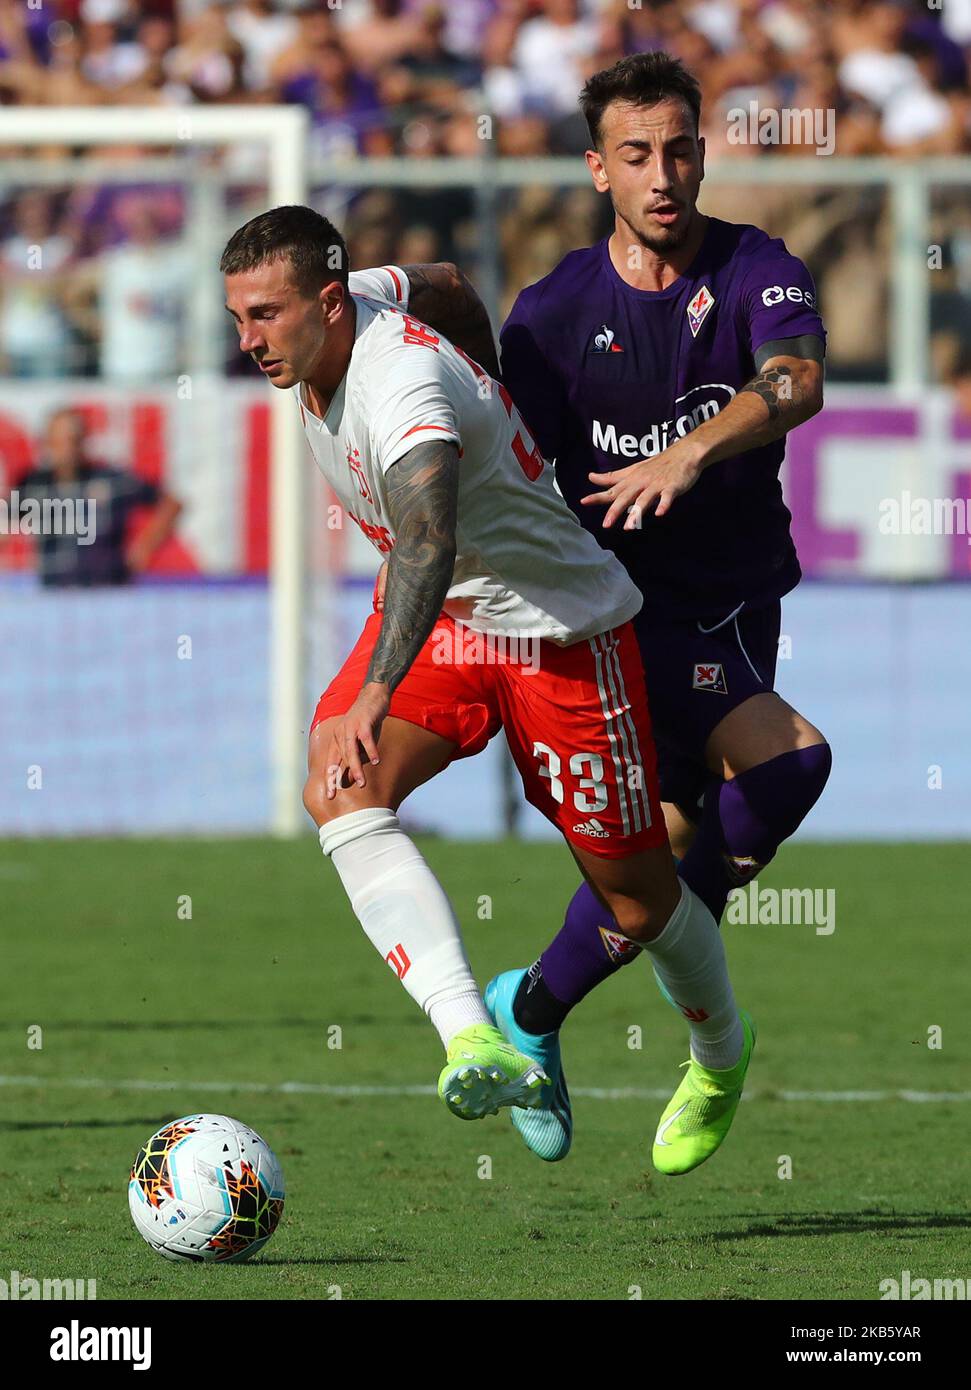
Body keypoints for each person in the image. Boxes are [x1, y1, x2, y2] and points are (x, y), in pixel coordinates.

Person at [222, 204, 755, 1174]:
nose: (247, 340)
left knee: (634, 901)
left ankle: (719, 1052)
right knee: (341, 785)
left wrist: (374, 692)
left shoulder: (402, 390)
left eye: (265, 315)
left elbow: (425, 540)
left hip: (557, 633)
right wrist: (495, 392)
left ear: (328, 305)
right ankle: (476, 1036)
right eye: (237, 318)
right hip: (447, 623)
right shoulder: (368, 304)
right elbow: (449, 285)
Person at [494, 51, 831, 1161]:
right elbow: (518, 473)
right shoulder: (548, 318)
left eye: (679, 149)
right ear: (596, 168)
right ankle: (712, 1049)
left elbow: (794, 382)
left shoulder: (755, 268)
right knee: (786, 766)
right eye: (635, 154)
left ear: (702, 151)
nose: (662, 174)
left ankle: (532, 1010)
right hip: (613, 620)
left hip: (734, 605)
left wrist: (687, 452)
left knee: (674, 866)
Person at [11, 406, 182, 586]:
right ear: (46, 443)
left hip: (107, 591)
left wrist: (144, 548)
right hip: (54, 592)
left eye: (73, 440)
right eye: (59, 442)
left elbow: (170, 504)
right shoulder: (34, 485)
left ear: (84, 440)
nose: (68, 449)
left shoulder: (110, 479)